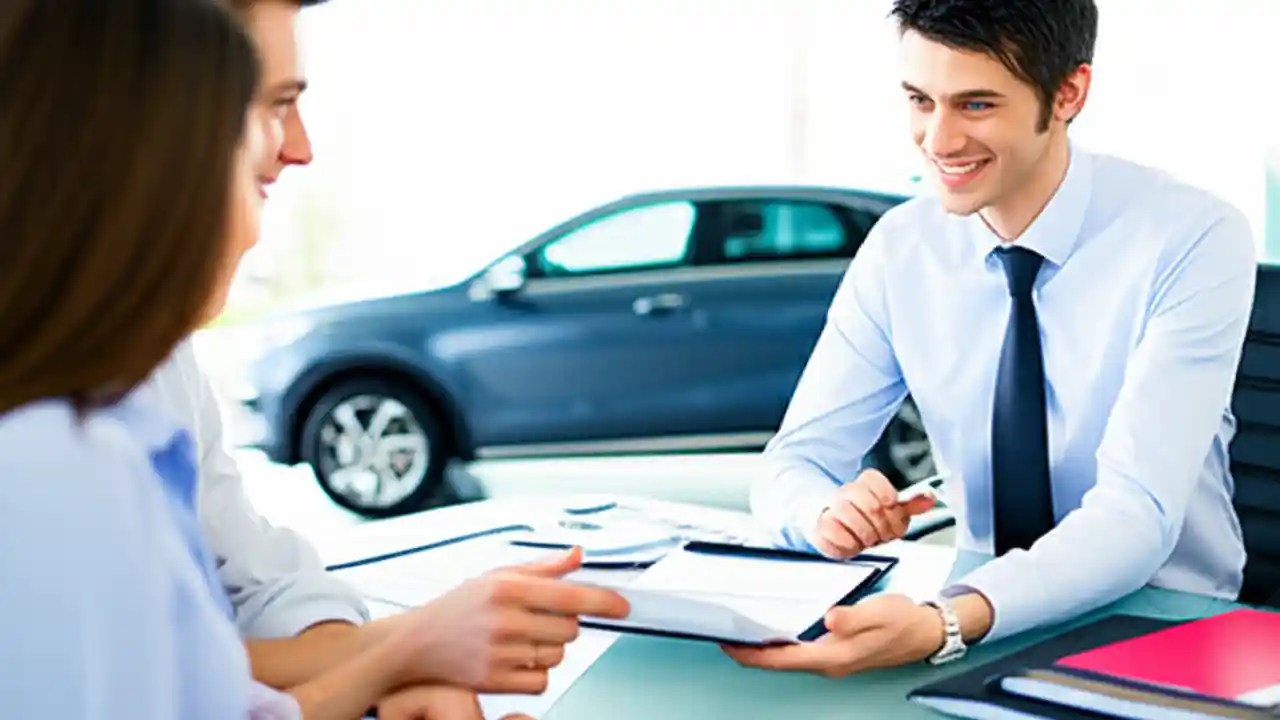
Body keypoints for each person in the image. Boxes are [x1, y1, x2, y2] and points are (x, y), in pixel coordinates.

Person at [0, 2, 627, 718]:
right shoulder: (52, 464)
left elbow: (235, 635)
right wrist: (402, 652)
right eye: (268, 114)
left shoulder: (112, 417)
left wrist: (393, 668)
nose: (292, 155)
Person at [727, 0, 1256, 676]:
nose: (937, 141)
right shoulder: (901, 249)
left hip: (1163, 625)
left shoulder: (1191, 236)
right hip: (969, 622)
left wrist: (945, 619)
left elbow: (1136, 517)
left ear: (1068, 93)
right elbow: (788, 467)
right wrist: (825, 510)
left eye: (976, 105)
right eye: (921, 100)